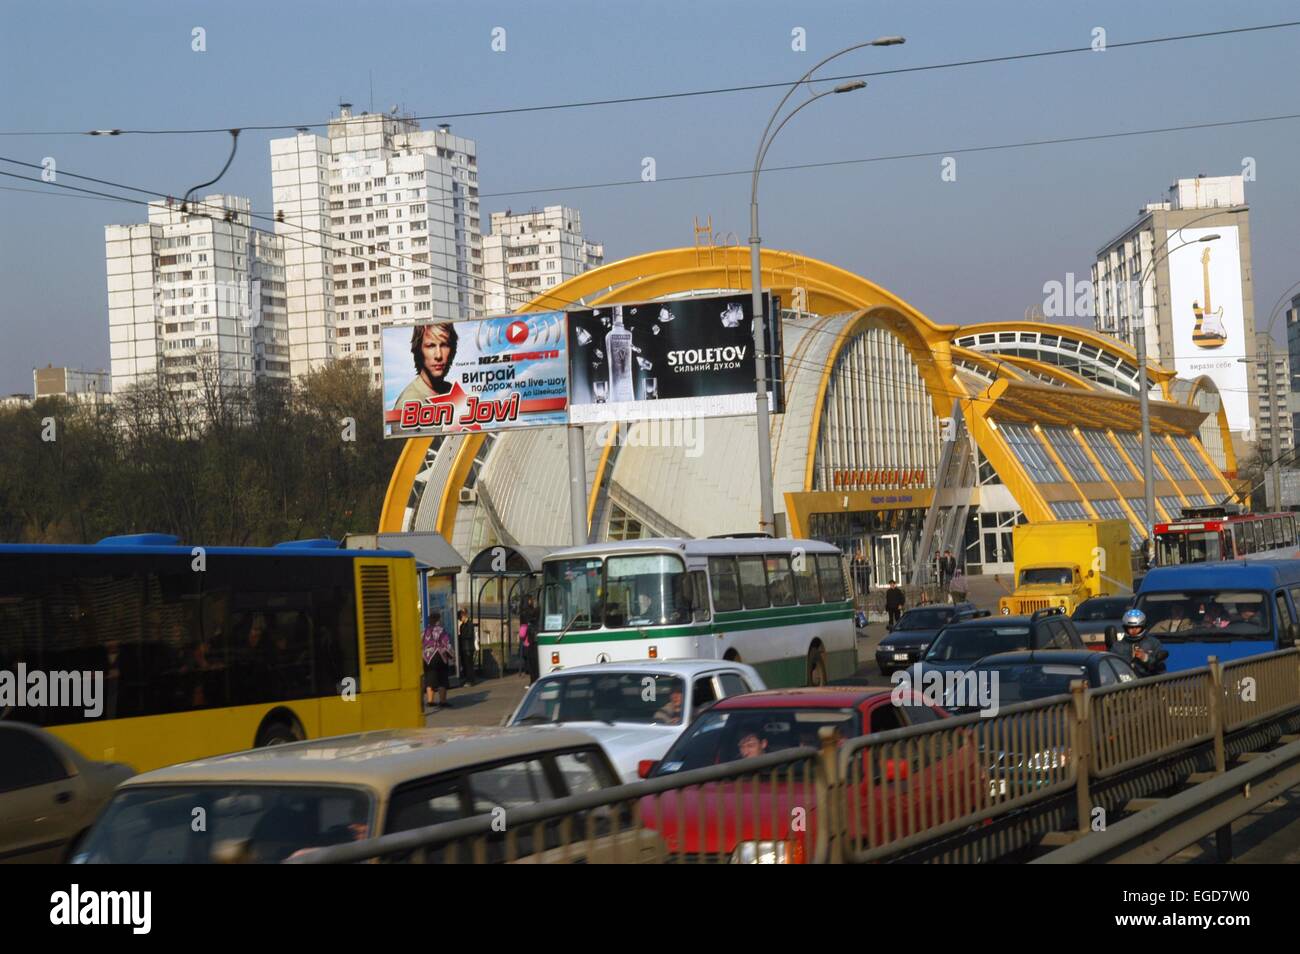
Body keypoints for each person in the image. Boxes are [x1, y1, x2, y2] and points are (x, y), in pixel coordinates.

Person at [1114, 608, 1168, 677]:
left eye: (1137, 627)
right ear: (1125, 628)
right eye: (1130, 627)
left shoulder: (1154, 643)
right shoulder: (1117, 647)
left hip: (1149, 683)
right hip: (1125, 685)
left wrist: (1145, 658)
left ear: (1143, 626)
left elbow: (1160, 668)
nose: (1134, 630)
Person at [423, 613, 453, 710]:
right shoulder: (441, 630)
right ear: (438, 620)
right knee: (442, 678)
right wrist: (453, 656)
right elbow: (446, 644)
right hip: (439, 656)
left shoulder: (426, 631)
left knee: (429, 678)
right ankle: (442, 701)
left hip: (427, 657)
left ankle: (430, 701)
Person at [519, 594, 540, 686]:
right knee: (534, 662)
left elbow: (523, 628)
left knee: (531, 662)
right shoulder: (531, 612)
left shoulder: (523, 612)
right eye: (530, 599)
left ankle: (533, 681)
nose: (532, 601)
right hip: (532, 638)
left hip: (527, 640)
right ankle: (535, 680)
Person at [456, 609, 476, 687]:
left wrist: (461, 637)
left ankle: (470, 680)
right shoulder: (462, 625)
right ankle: (467, 679)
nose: (460, 619)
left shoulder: (469, 624)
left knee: (469, 665)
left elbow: (469, 635)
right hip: (464, 647)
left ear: (464, 616)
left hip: (468, 647)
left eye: (460, 617)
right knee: (465, 665)